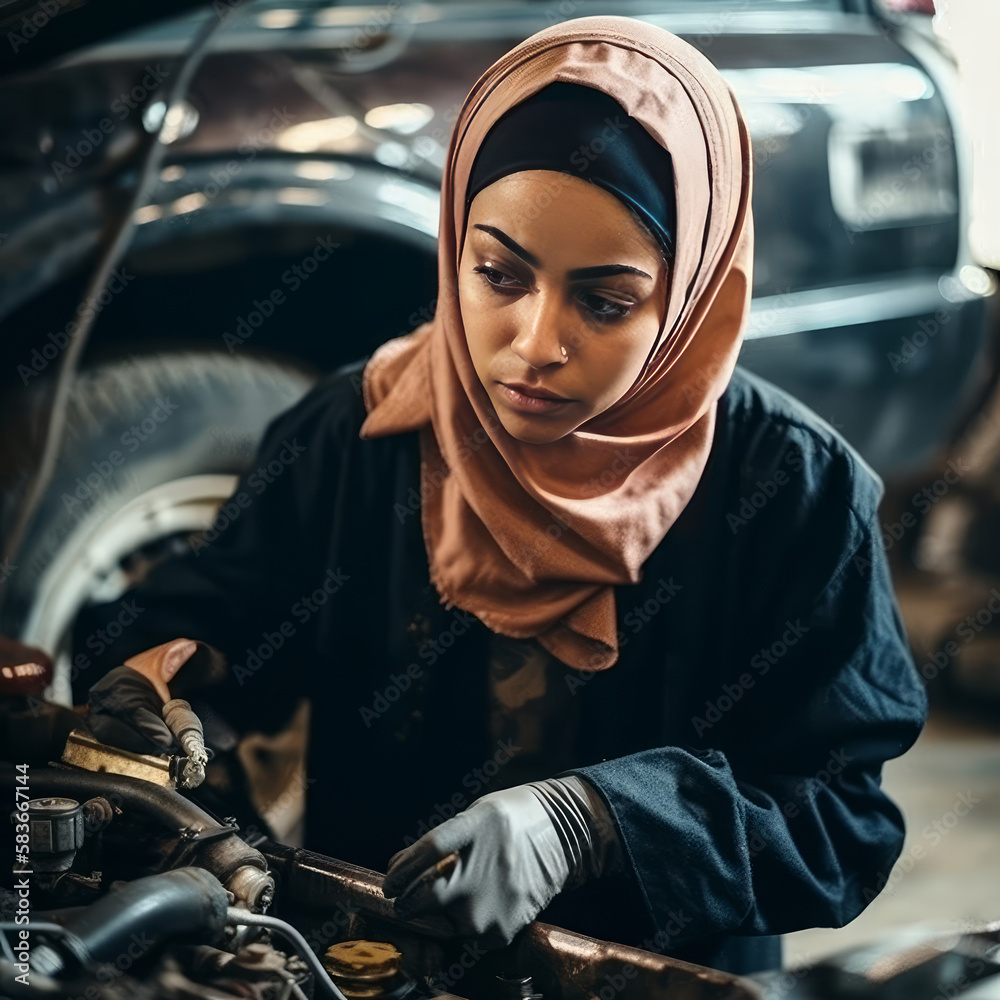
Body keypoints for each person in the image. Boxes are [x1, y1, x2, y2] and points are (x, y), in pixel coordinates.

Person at [72, 15, 927, 977]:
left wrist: (598, 820)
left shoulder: (794, 494)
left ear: (690, 292)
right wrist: (161, 682)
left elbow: (841, 816)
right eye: (498, 274)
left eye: (604, 302)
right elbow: (217, 623)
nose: (534, 344)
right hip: (366, 965)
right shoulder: (355, 436)